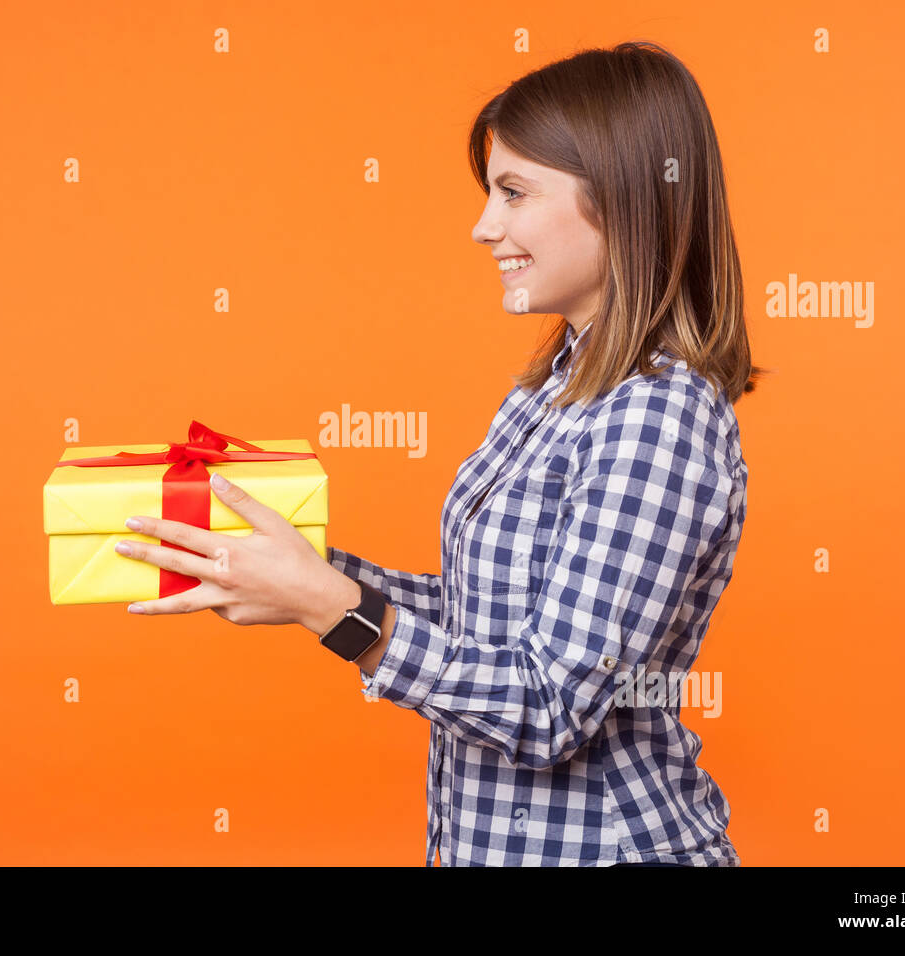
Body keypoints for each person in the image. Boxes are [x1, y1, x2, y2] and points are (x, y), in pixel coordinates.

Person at [115, 41, 767, 867]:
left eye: (514, 193)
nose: (483, 225)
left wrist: (335, 611)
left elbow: (549, 706)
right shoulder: (554, 387)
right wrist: (304, 573)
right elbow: (491, 619)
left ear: (625, 198)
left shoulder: (656, 420)